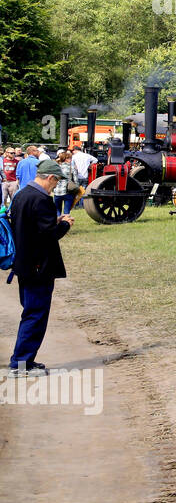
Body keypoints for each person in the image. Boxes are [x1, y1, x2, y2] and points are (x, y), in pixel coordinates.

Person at [8, 159, 74, 375]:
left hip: (24, 264)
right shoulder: (42, 199)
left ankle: (22, 359)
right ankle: (21, 364)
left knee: (30, 313)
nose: (55, 186)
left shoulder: (22, 195)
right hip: (39, 267)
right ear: (50, 178)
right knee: (35, 315)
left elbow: (29, 225)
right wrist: (64, 224)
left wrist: (53, 220)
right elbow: (48, 236)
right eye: (56, 182)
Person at [52, 150, 74, 216]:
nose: (71, 160)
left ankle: (57, 223)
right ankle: (66, 223)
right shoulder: (71, 167)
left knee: (58, 211)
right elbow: (76, 180)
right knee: (66, 211)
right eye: (70, 158)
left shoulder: (56, 168)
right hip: (68, 191)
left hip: (57, 192)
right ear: (66, 159)